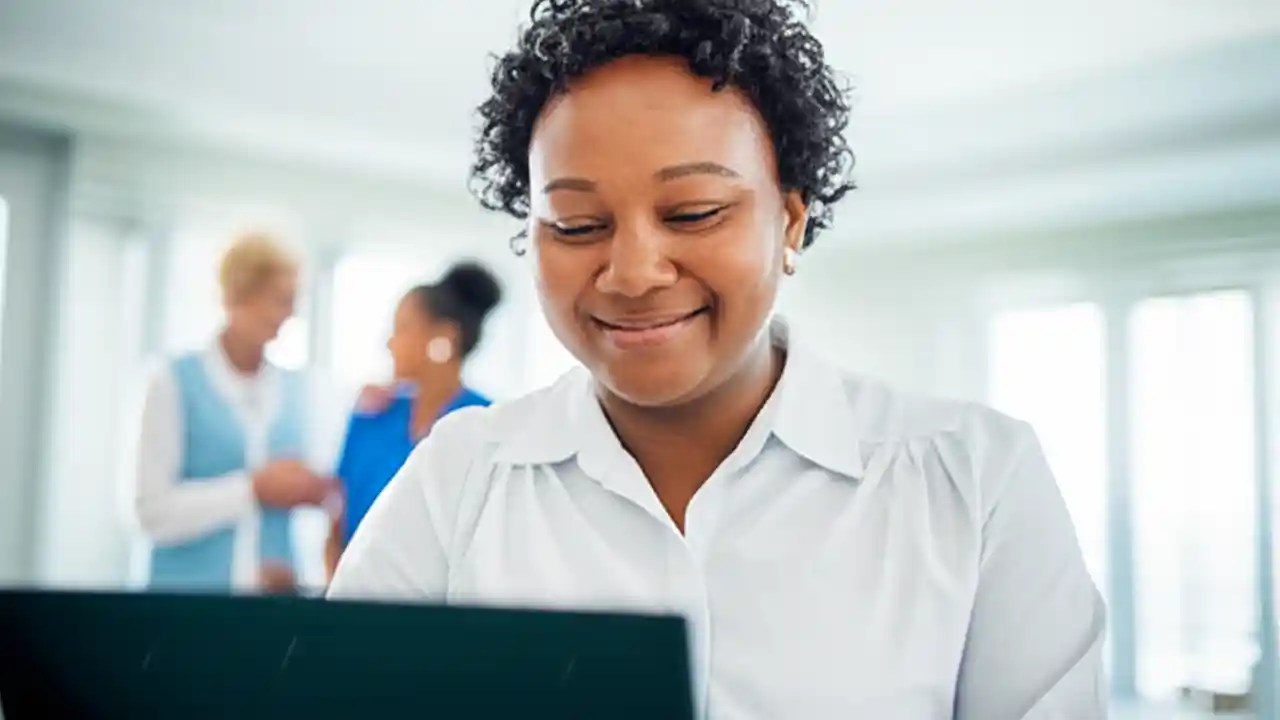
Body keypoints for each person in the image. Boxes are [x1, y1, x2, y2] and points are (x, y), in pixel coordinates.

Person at [329, 1, 1106, 718]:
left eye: (694, 212)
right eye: (574, 224)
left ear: (791, 222)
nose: (633, 274)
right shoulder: (457, 480)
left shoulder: (975, 479)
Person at [135, 232, 334, 594]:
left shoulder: (296, 389)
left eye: (293, 301)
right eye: (279, 300)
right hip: (186, 607)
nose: (289, 314)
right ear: (237, 297)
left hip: (270, 610)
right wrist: (252, 489)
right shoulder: (173, 381)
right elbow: (152, 512)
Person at [324, 262, 501, 577]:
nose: (389, 343)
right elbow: (338, 525)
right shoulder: (371, 416)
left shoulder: (489, 426)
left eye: (403, 328)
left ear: (443, 337)